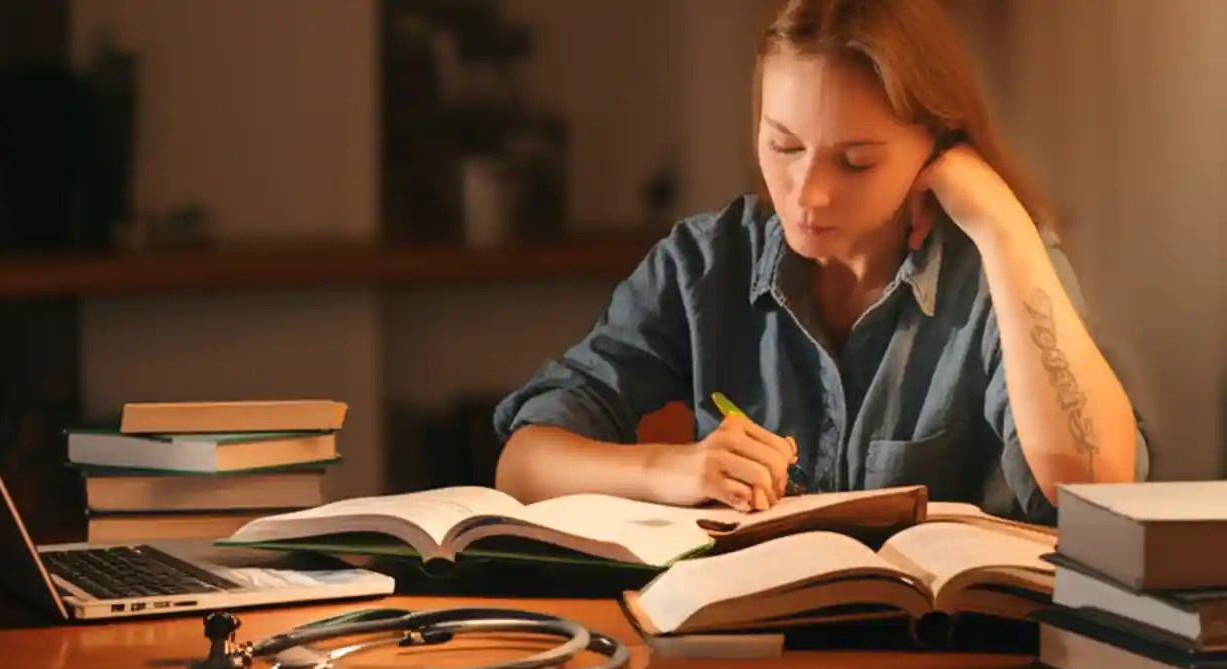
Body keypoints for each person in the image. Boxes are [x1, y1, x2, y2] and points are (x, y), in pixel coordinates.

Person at [491, 0, 1149, 525]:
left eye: (856, 160)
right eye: (784, 146)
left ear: (936, 145)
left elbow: (1093, 484)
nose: (808, 194)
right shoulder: (705, 265)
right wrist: (669, 469)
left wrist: (1002, 224)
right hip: (745, 659)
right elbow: (524, 463)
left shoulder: (995, 266)